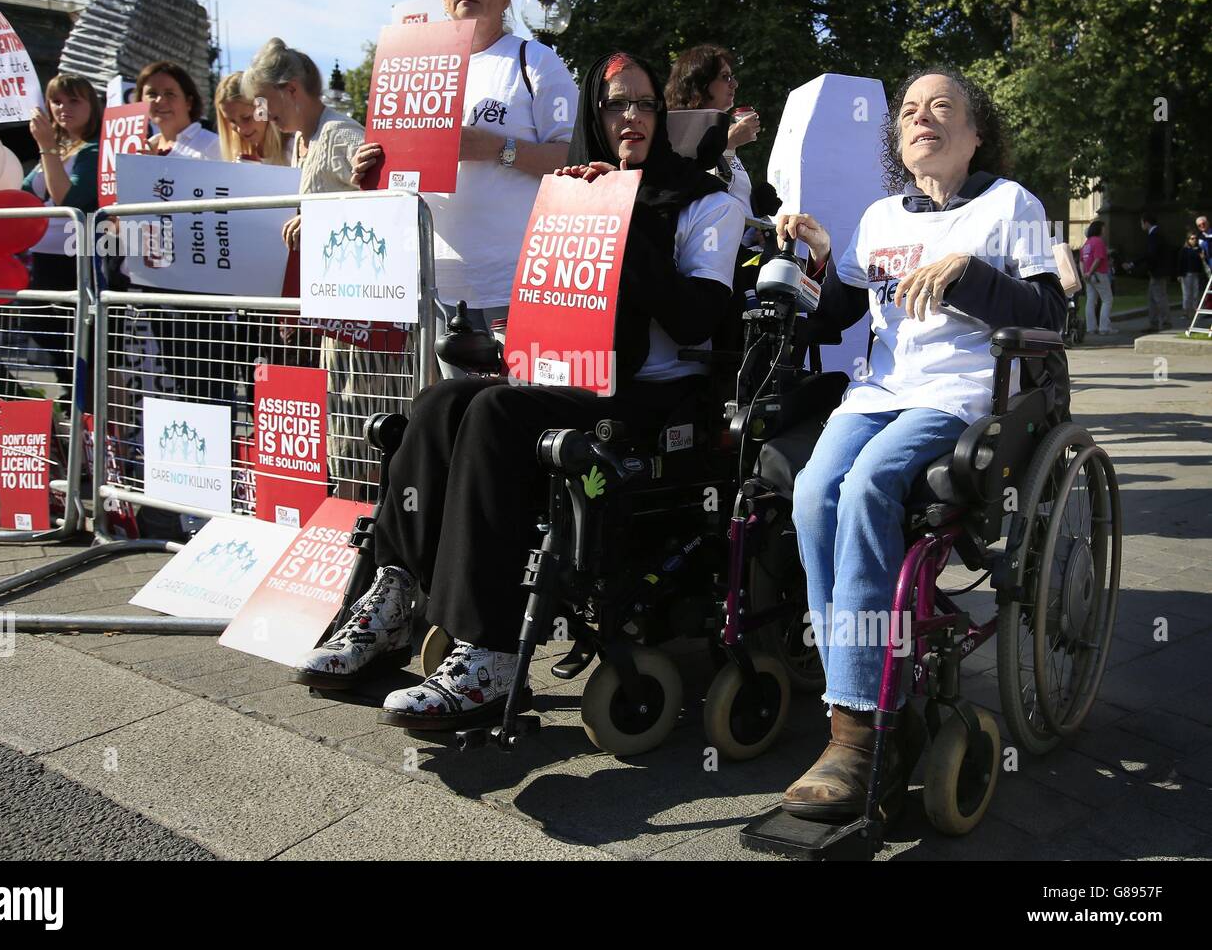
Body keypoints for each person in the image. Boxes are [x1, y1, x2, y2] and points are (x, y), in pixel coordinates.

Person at [297, 51, 744, 729]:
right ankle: (394, 596)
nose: (630, 117)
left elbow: (696, 318)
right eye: (615, 104)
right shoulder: (569, 189)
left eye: (644, 103)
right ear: (595, 117)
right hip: (575, 373)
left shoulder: (707, 200)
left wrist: (618, 220)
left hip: (656, 391)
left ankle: (492, 649)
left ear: (663, 113)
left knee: (498, 414)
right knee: (441, 402)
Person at [776, 67, 1066, 820]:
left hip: (959, 395)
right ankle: (856, 678)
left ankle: (857, 727)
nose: (922, 118)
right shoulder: (879, 219)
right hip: (878, 390)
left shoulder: (1012, 205)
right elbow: (840, 308)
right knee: (812, 494)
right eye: (909, 110)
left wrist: (968, 274)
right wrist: (815, 255)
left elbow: (1051, 315)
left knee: (871, 486)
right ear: (898, 139)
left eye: (944, 108)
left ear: (975, 135)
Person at [350, 0, 579, 377]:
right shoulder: (414, 67)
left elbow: (573, 160)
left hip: (515, 284)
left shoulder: (535, 61)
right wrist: (371, 169)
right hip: (437, 287)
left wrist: (497, 148)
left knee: (511, 423)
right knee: (457, 425)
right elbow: (399, 177)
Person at [241, 38, 376, 495]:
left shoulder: (338, 134)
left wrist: (317, 219)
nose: (262, 112)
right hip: (331, 310)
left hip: (359, 314)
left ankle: (359, 519)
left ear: (291, 89)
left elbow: (382, 197)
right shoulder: (304, 140)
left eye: (265, 100)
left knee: (355, 417)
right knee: (340, 413)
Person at [664, 44, 766, 217]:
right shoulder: (675, 136)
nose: (734, 84)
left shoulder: (719, 136)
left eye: (732, 77)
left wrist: (757, 215)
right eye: (725, 77)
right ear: (700, 83)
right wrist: (729, 142)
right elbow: (687, 191)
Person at [22, 73, 102, 292]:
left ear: (92, 106)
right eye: (56, 101)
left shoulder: (97, 148)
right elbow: (24, 193)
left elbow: (66, 200)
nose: (63, 108)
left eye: (74, 100)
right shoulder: (58, 146)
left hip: (77, 259)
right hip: (42, 254)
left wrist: (46, 145)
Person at [137, 61, 221, 160]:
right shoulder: (142, 147)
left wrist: (153, 167)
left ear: (188, 102)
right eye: (152, 94)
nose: (160, 100)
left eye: (169, 94)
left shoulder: (212, 145)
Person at [214, 71, 287, 164]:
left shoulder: (294, 150)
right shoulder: (237, 155)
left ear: (263, 107)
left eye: (246, 118)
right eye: (232, 121)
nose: (240, 130)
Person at [1080, 220, 1114, 334]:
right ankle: (1104, 327)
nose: (1105, 230)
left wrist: (1084, 273)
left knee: (1090, 300)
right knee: (1107, 299)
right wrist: (1090, 271)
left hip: (1088, 276)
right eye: (1103, 228)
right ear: (1099, 229)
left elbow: (1081, 261)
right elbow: (1098, 258)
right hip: (1098, 274)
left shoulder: (1086, 243)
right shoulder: (1099, 242)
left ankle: (1091, 327)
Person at [1141, 212, 1172, 331]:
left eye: (1142, 222)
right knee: (1152, 298)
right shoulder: (1156, 233)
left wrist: (1136, 264)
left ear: (1146, 222)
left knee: (1159, 297)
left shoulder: (1155, 234)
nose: (1141, 225)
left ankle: (1165, 322)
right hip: (1157, 270)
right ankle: (1153, 323)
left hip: (1158, 271)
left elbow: (1152, 254)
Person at [1178, 232, 1207, 323]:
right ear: (1188, 240)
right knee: (1187, 294)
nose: (1194, 240)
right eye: (1192, 238)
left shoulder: (1199, 249)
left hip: (1195, 274)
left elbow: (1201, 262)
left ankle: (1194, 312)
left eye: (1195, 238)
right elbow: (1180, 262)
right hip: (1187, 274)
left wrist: (1202, 257)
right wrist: (1179, 274)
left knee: (1195, 293)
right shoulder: (1185, 250)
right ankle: (1185, 312)